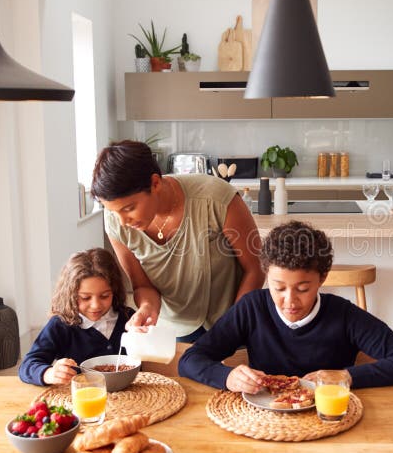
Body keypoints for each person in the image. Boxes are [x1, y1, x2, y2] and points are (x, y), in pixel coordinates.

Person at [180, 221, 393, 391]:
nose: (290, 301)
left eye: (302, 289)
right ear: (267, 276)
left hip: (329, 417)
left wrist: (347, 376)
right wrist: (227, 377)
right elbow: (190, 360)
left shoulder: (343, 315)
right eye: (279, 288)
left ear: (322, 279)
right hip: (264, 421)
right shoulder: (252, 308)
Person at [91, 141, 264, 343]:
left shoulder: (216, 198)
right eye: (114, 212)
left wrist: (234, 324)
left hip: (231, 318)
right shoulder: (116, 223)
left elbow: (256, 267)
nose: (123, 222)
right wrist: (146, 308)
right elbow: (142, 286)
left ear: (155, 183)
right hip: (172, 329)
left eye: (129, 208)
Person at [19, 248, 134, 386]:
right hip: (82, 395)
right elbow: (28, 365)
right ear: (71, 294)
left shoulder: (128, 318)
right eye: (85, 298)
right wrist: (48, 373)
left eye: (104, 296)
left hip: (133, 396)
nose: (95, 306)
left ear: (115, 291)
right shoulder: (61, 324)